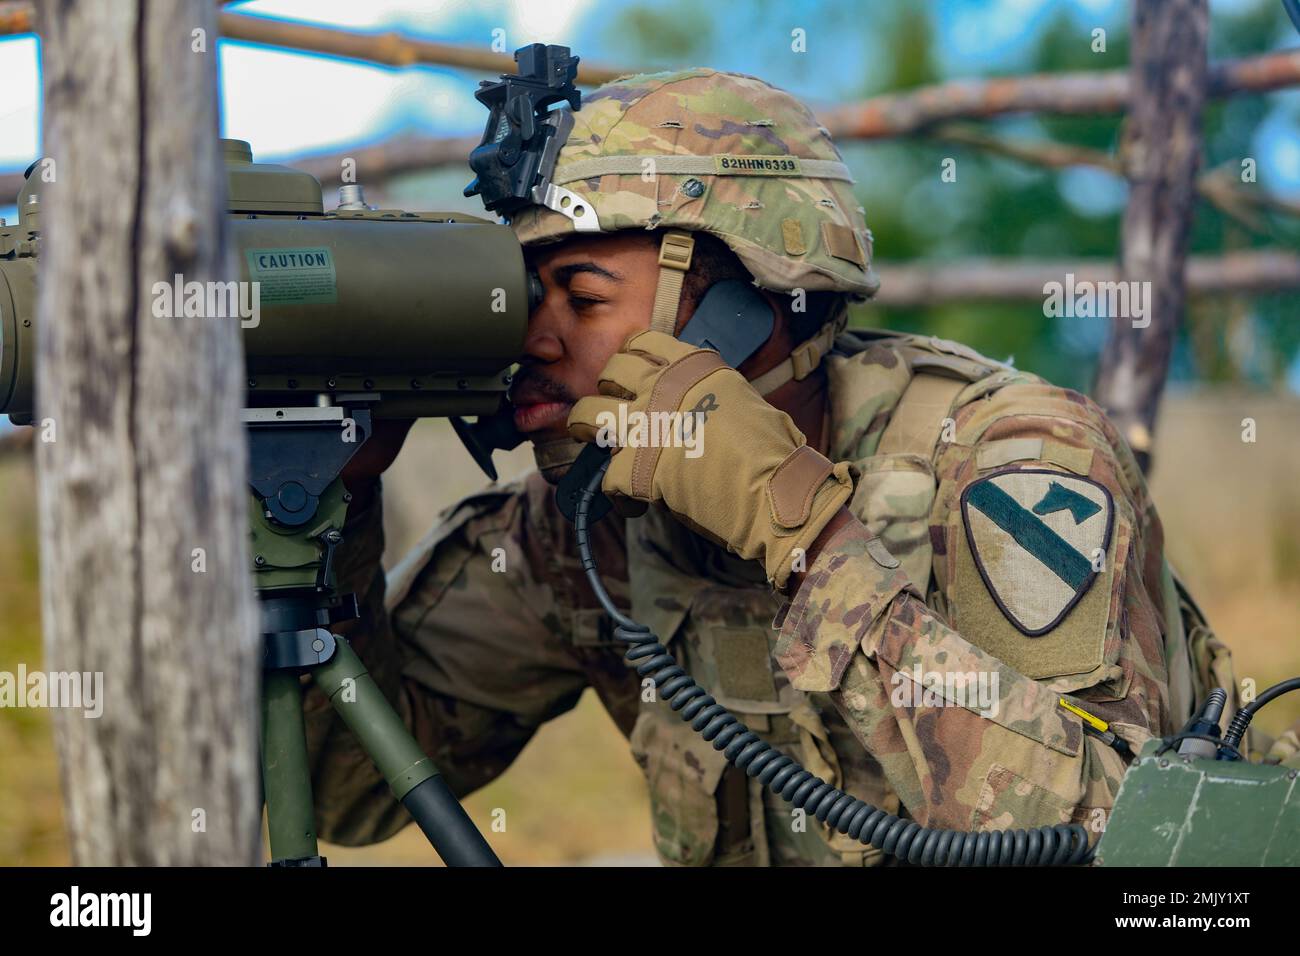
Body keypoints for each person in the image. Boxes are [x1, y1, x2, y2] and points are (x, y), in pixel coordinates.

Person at [303, 67, 1264, 866]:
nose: (535, 339)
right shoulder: (578, 526)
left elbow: (1126, 849)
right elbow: (344, 795)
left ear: (752, 308)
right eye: (523, 296)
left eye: (582, 296)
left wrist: (799, 531)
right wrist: (334, 508)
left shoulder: (1006, 461)